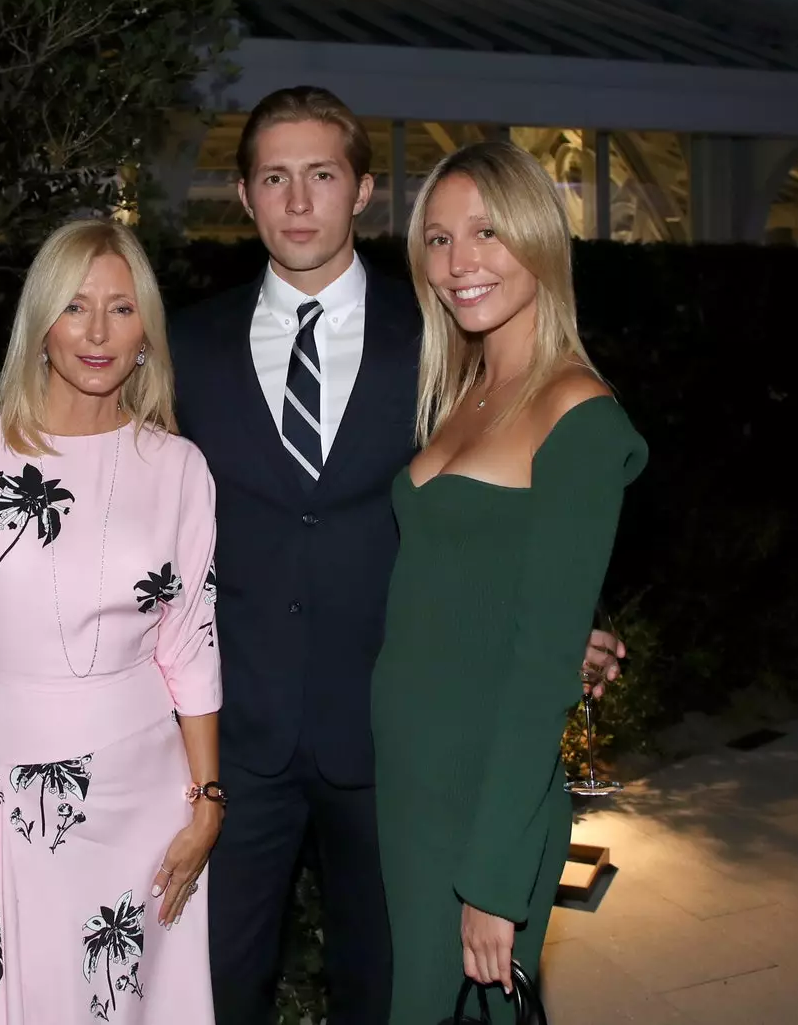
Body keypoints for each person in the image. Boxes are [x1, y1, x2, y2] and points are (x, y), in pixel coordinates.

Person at [168, 87, 626, 1025]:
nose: (299, 201)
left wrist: (548, 631)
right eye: (275, 178)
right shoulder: (186, 347)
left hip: (388, 745)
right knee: (215, 993)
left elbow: (518, 501)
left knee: (394, 994)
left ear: (365, 191)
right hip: (236, 738)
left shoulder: (447, 334)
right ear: (245, 196)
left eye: (323, 175)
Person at [372, 140, 648, 1023]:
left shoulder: (579, 414)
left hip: (483, 797)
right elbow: (476, 578)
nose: (461, 263)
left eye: (487, 231)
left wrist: (494, 879)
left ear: (537, 234)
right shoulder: (469, 388)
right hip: (414, 782)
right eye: (440, 240)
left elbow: (539, 675)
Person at [0, 218, 222, 1024]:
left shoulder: (179, 469)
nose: (97, 332)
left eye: (121, 309)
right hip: (0, 781)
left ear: (146, 334)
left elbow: (190, 645)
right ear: (41, 325)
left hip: (144, 802)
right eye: (75, 306)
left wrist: (207, 801)